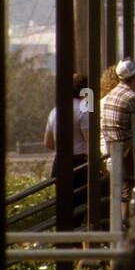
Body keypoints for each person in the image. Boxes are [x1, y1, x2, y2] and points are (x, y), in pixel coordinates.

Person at [45, 73, 91, 221]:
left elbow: (47, 142)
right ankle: (75, 241)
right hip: (78, 163)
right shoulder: (83, 110)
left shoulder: (55, 111)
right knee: (79, 207)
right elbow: (88, 141)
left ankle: (62, 240)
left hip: (59, 162)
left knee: (63, 208)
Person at [101, 58, 135, 201]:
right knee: (129, 193)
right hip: (128, 151)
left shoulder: (109, 96)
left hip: (111, 149)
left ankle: (123, 221)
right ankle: (128, 222)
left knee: (124, 192)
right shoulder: (131, 97)